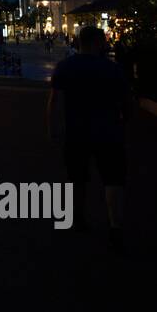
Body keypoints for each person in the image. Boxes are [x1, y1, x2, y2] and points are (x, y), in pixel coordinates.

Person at [47, 24, 131, 251]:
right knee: (113, 179)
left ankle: (79, 217)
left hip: (77, 132)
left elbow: (55, 101)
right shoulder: (112, 69)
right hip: (108, 131)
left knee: (77, 176)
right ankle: (115, 225)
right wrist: (125, 123)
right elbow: (125, 102)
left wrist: (53, 128)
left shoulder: (65, 67)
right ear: (97, 42)